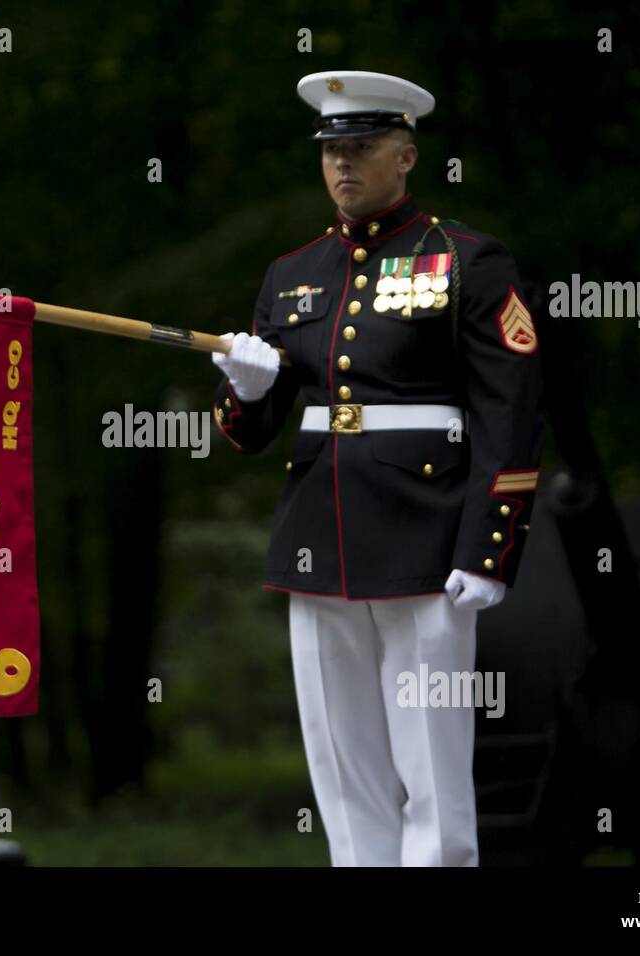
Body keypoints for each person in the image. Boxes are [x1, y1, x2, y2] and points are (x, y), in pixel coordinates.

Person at [211, 72, 542, 866]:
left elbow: (510, 416)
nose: (343, 165)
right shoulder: (291, 274)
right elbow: (250, 431)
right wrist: (244, 391)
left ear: (407, 155)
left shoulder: (467, 260)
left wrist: (487, 549)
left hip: (430, 536)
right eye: (331, 151)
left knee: (431, 766)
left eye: (361, 148)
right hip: (317, 539)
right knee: (341, 763)